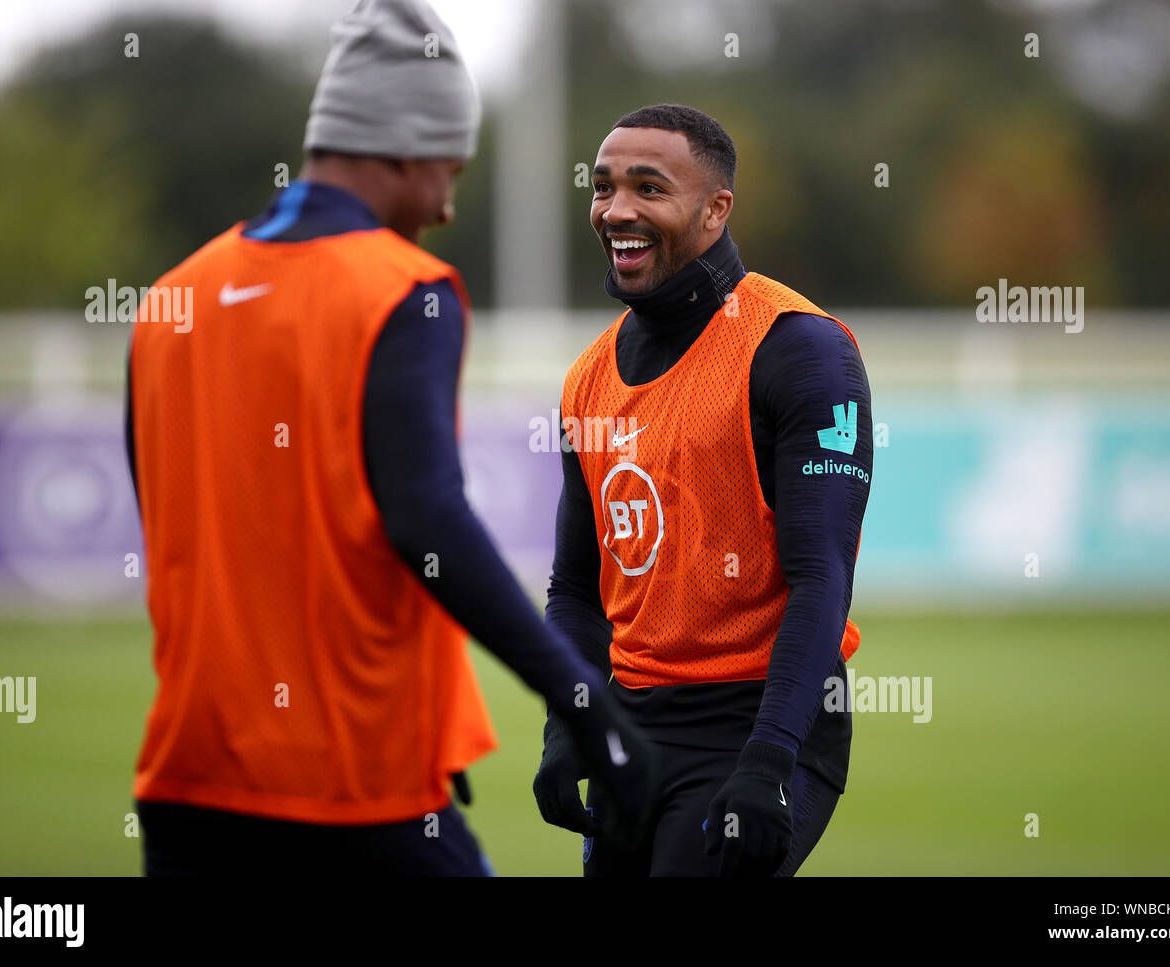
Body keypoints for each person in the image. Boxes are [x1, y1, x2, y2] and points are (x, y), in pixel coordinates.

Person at [125, 0, 654, 877]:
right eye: (449, 169)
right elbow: (427, 518)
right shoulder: (405, 288)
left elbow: (182, 529)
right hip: (351, 787)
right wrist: (586, 703)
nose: (446, 205)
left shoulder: (169, 299)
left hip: (187, 785)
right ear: (406, 148)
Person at [532, 104, 872, 877]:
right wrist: (568, 724)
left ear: (717, 209)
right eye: (603, 187)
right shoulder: (587, 376)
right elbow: (575, 590)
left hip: (759, 723)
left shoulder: (799, 350)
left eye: (648, 188)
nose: (617, 210)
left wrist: (769, 758)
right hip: (633, 727)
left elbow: (821, 579)